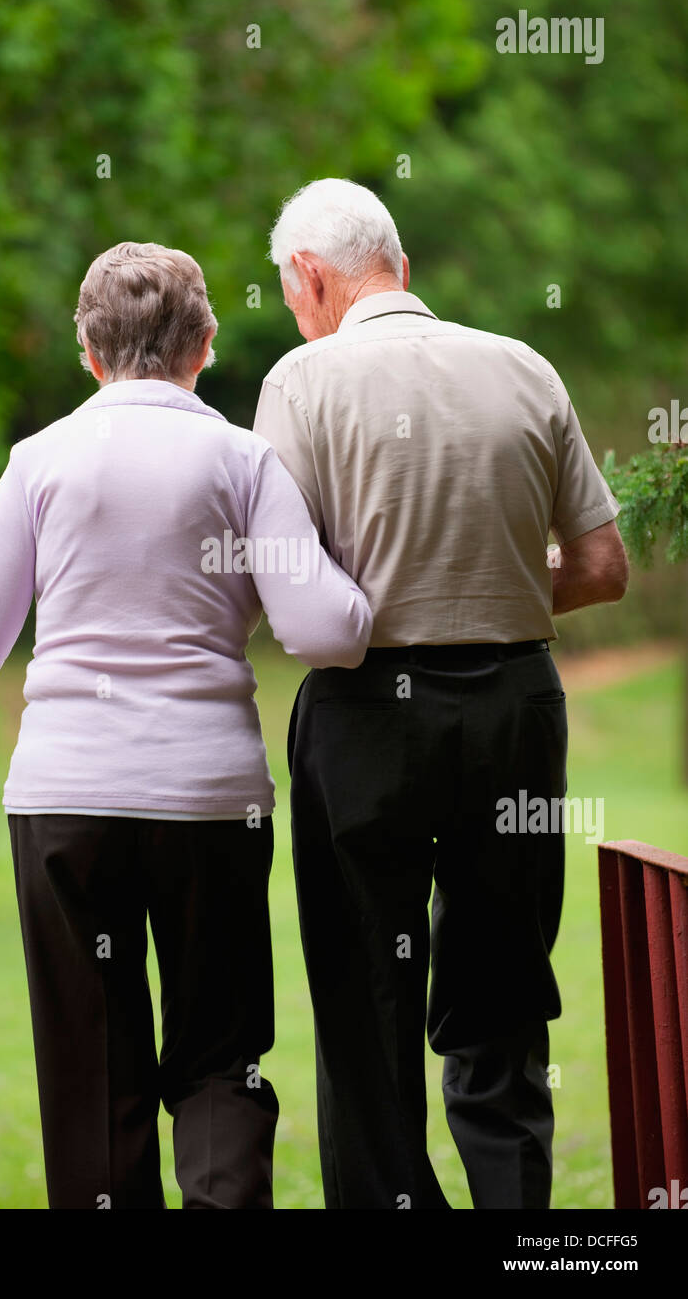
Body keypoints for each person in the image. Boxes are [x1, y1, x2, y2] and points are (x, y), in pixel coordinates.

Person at [0, 241, 372, 1210]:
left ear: (87, 351)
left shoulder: (39, 462)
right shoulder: (244, 460)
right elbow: (325, 631)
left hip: (65, 799)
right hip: (210, 800)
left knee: (91, 1069)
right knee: (220, 1056)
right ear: (205, 344)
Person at [253, 178, 629, 1210]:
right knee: (503, 987)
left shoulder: (300, 381)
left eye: (290, 296)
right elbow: (602, 568)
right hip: (514, 707)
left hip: (365, 714)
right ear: (401, 266)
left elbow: (286, 587)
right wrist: (496, 584)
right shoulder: (523, 366)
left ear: (310, 276)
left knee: (364, 990)